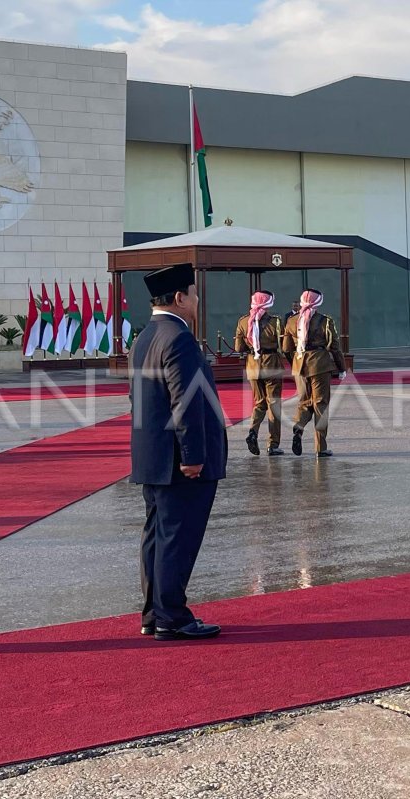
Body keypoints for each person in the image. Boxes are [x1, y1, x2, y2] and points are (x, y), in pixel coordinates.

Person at [129, 263, 227, 640]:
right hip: (179, 461)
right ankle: (172, 617)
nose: (197, 300)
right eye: (194, 293)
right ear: (180, 298)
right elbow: (184, 401)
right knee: (177, 539)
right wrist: (192, 455)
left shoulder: (146, 335)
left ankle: (154, 614)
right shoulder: (179, 337)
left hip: (153, 455)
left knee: (157, 536)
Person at [282, 288, 347, 457]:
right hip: (319, 365)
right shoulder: (325, 321)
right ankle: (321, 447)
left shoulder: (291, 321)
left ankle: (299, 426)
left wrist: (295, 365)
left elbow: (286, 349)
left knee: (304, 402)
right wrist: (342, 368)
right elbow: (335, 347)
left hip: (300, 365)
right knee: (321, 405)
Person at [234, 289, 286, 456]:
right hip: (272, 365)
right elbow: (283, 346)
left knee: (259, 403)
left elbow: (238, 348)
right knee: (274, 405)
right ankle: (273, 444)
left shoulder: (243, 322)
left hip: (253, 366)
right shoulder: (275, 322)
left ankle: (253, 431)